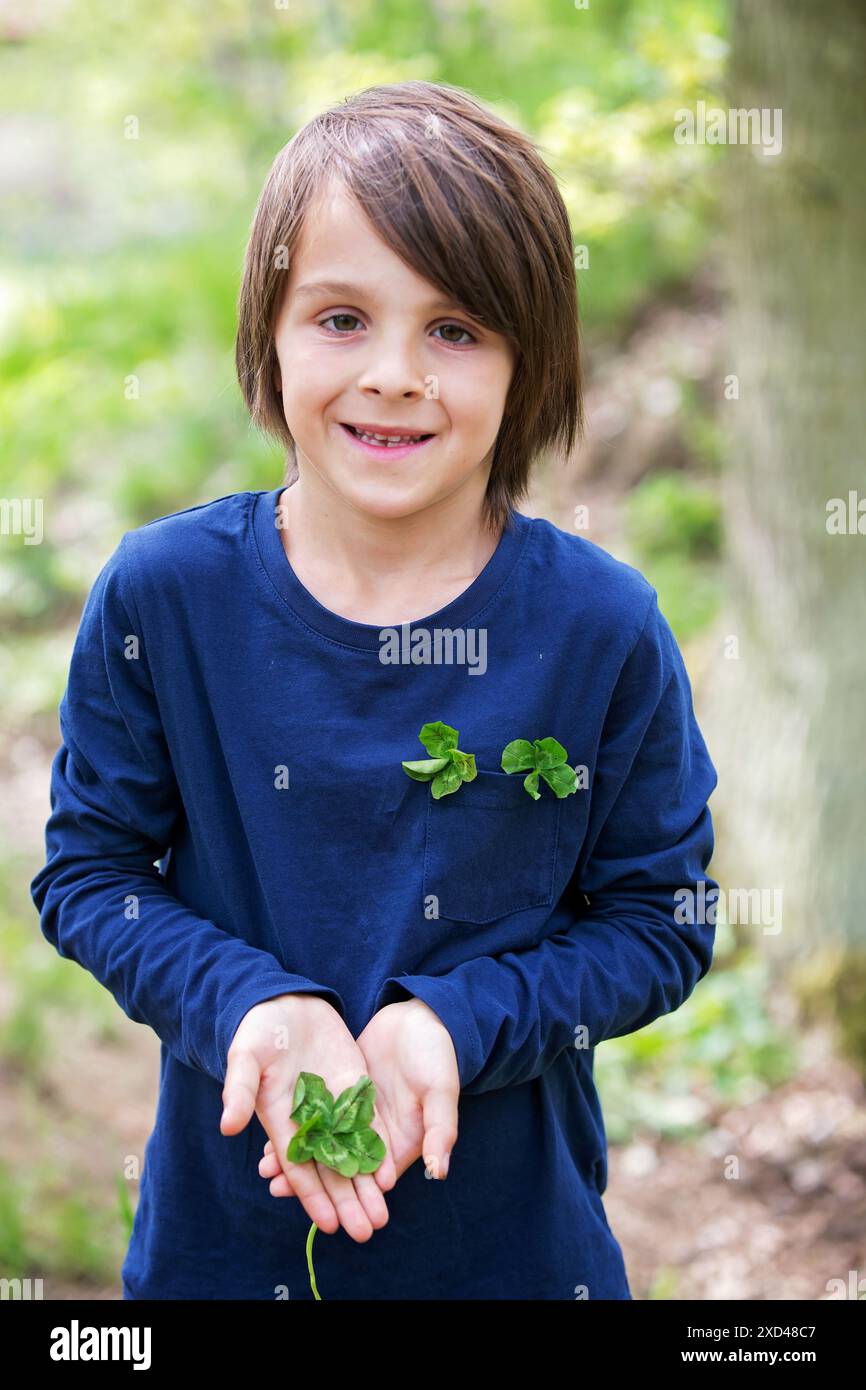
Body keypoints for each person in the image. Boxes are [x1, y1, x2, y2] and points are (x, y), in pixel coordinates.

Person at [30, 79, 719, 1300]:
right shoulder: (166, 598)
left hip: (513, 1260)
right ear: (270, 332)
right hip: (224, 1260)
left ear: (530, 358)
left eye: (454, 329)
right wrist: (249, 1005)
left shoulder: (599, 630)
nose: (394, 374)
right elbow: (88, 872)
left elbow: (658, 920)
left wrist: (452, 1022)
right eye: (341, 318)